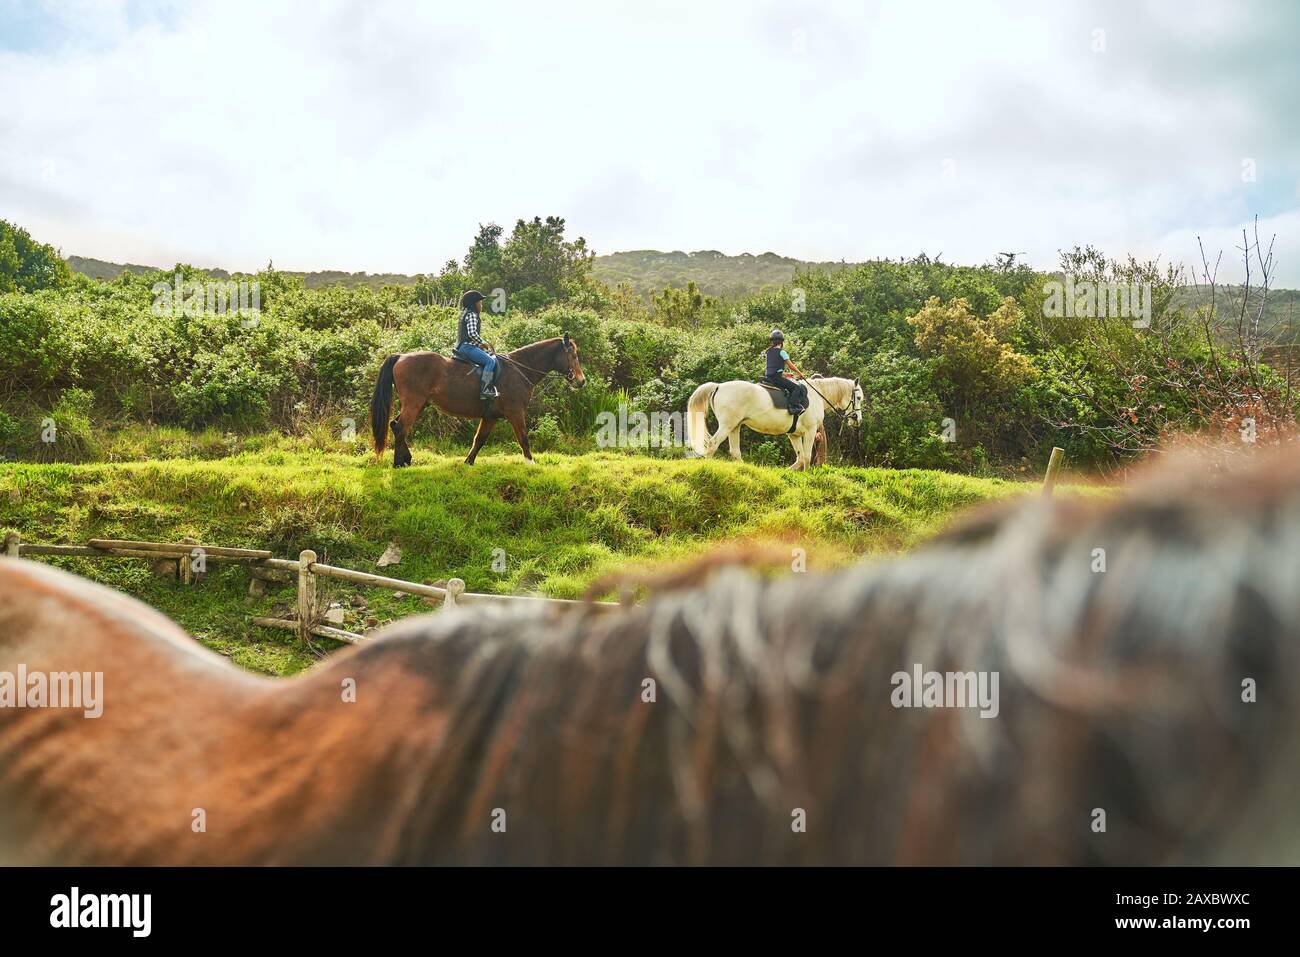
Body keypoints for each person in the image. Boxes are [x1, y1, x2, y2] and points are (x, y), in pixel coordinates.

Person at [453, 290, 498, 400]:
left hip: (463, 346)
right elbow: (472, 333)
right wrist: (482, 342)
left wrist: (480, 344)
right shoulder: (472, 315)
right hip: (468, 347)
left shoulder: (464, 313)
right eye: (480, 303)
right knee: (490, 361)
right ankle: (485, 390)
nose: (481, 306)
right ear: (474, 303)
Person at [762, 329, 806, 414]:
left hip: (768, 377)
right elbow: (791, 366)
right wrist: (800, 373)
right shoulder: (782, 352)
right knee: (796, 388)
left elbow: (773, 368)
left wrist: (786, 374)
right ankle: (793, 407)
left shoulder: (768, 352)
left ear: (772, 342)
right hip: (776, 378)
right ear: (782, 342)